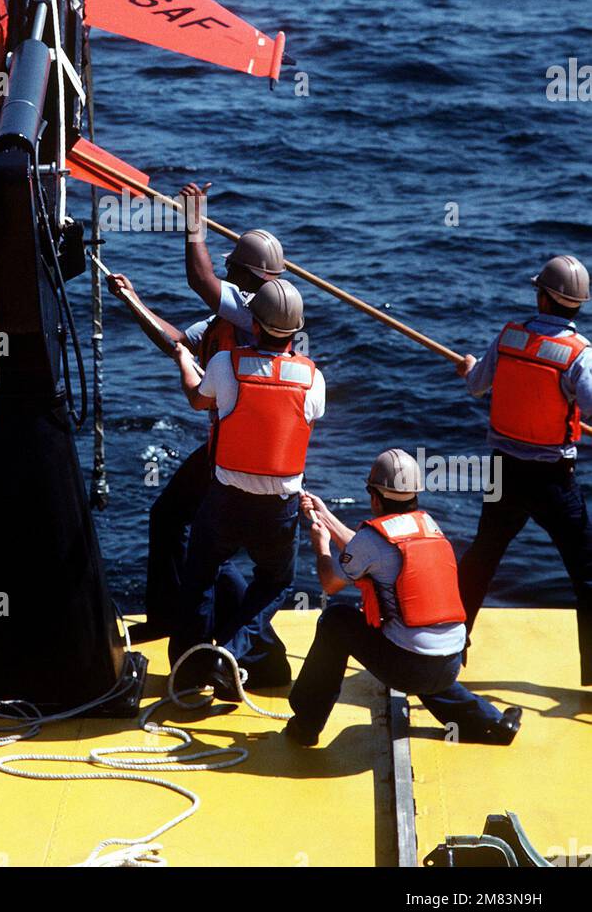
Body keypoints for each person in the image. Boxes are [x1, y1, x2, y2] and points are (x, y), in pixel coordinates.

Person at [106, 184, 293, 684]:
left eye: (233, 272)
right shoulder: (235, 321)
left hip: (233, 460)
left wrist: (195, 220)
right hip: (227, 450)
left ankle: (248, 655)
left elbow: (198, 276)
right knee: (170, 518)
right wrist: (135, 303)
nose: (226, 279)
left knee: (205, 553)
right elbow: (178, 342)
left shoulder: (253, 317)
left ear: (249, 280)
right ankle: (179, 623)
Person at [285, 449, 522, 747]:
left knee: (337, 619)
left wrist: (321, 545)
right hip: (449, 663)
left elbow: (331, 582)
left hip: (410, 670)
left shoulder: (374, 540)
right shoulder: (428, 525)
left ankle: (306, 725)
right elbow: (366, 552)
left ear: (374, 497)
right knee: (424, 648)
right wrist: (325, 515)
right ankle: (492, 721)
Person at [169, 278, 324, 700]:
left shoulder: (224, 363)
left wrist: (185, 358)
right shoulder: (314, 379)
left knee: (200, 575)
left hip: (225, 499)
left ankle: (189, 673)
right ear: (295, 330)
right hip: (279, 507)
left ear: (253, 326)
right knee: (275, 582)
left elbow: (198, 400)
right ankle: (232, 653)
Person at [455, 254, 592, 683]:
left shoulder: (511, 336)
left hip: (503, 474)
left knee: (480, 560)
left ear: (544, 298)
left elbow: (478, 385)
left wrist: (470, 367)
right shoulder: (579, 354)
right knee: (586, 577)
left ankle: (446, 652)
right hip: (552, 479)